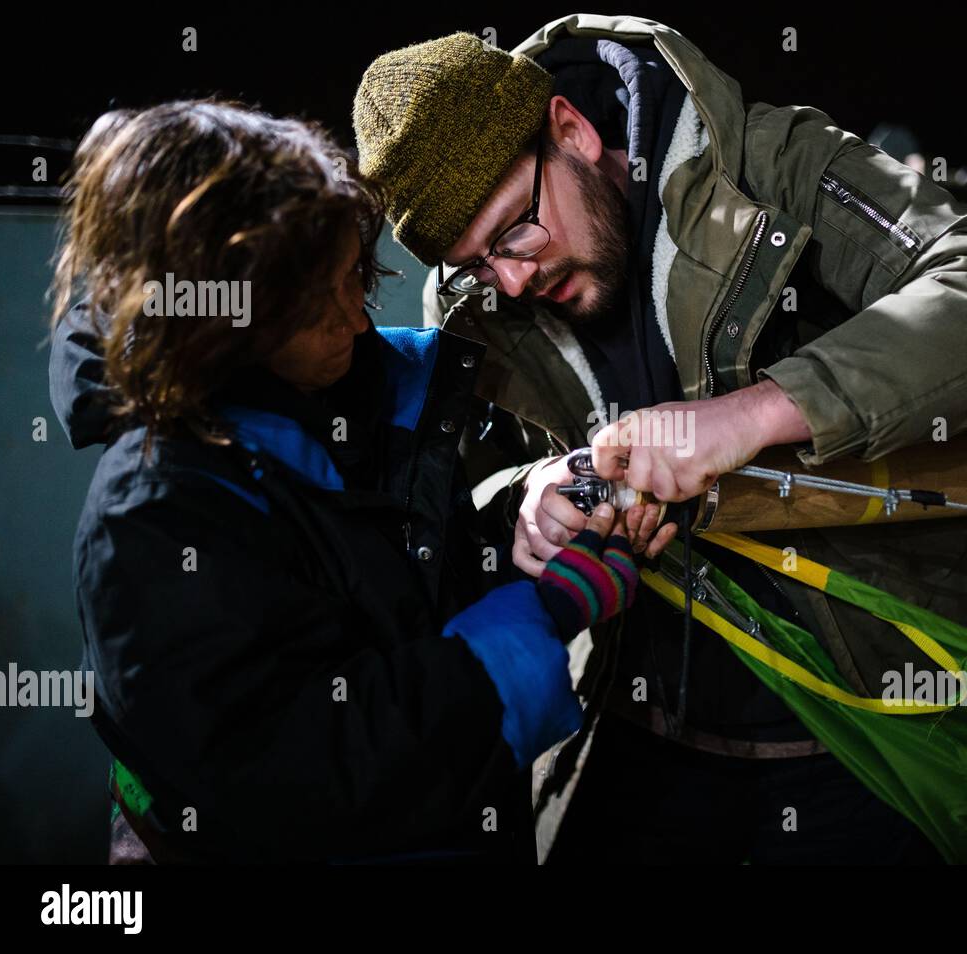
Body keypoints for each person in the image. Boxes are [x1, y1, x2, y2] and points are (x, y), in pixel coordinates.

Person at [353, 15, 967, 863]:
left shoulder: (773, 167)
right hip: (636, 730)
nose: (513, 278)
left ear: (572, 129)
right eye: (477, 262)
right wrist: (528, 496)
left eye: (514, 233)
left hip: (883, 731)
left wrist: (759, 412)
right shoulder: (474, 303)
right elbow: (459, 502)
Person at [47, 98, 643, 864]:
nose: (357, 323)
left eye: (352, 280)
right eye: (319, 305)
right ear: (219, 323)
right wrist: (549, 610)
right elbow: (321, 775)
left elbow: (406, 569)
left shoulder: (351, 389)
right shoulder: (153, 517)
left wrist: (532, 512)